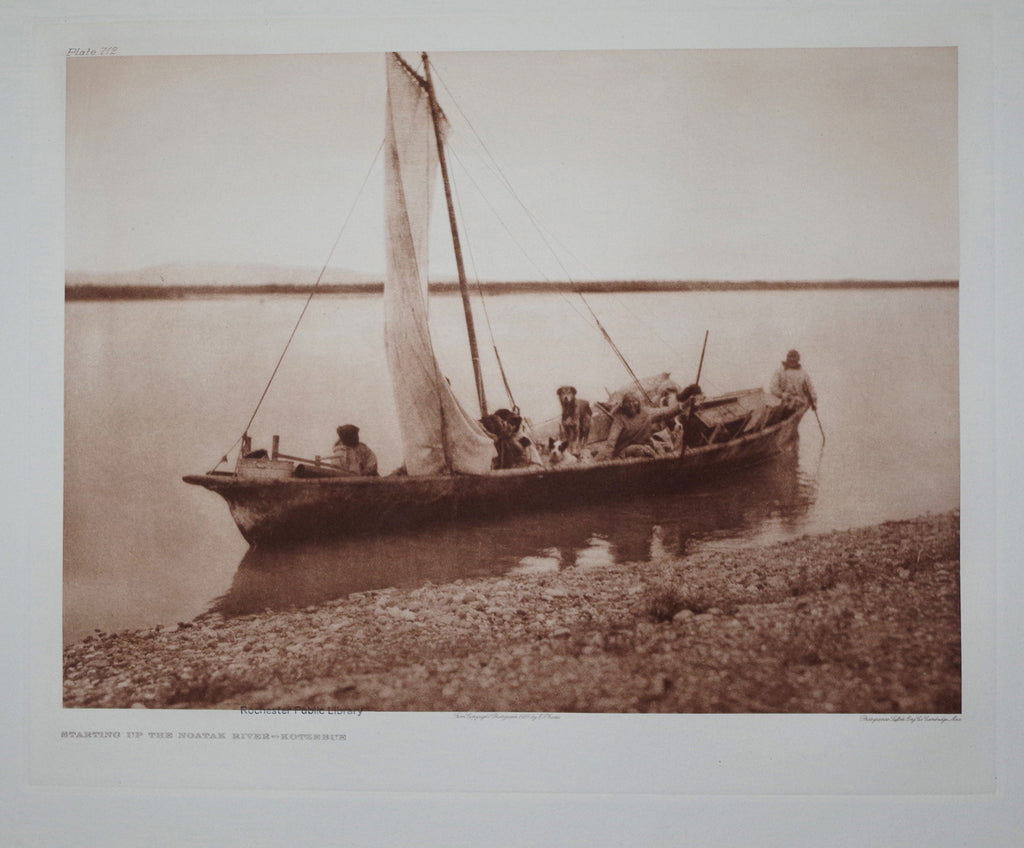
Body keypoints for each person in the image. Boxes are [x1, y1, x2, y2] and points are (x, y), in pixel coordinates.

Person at [599, 390, 686, 460]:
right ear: (623, 405)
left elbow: (665, 412)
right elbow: (612, 439)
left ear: (639, 403)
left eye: (634, 401)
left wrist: (683, 406)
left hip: (646, 444)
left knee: (659, 451)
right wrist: (608, 456)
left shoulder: (646, 413)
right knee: (640, 450)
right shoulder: (620, 418)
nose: (631, 404)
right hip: (625, 449)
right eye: (628, 402)